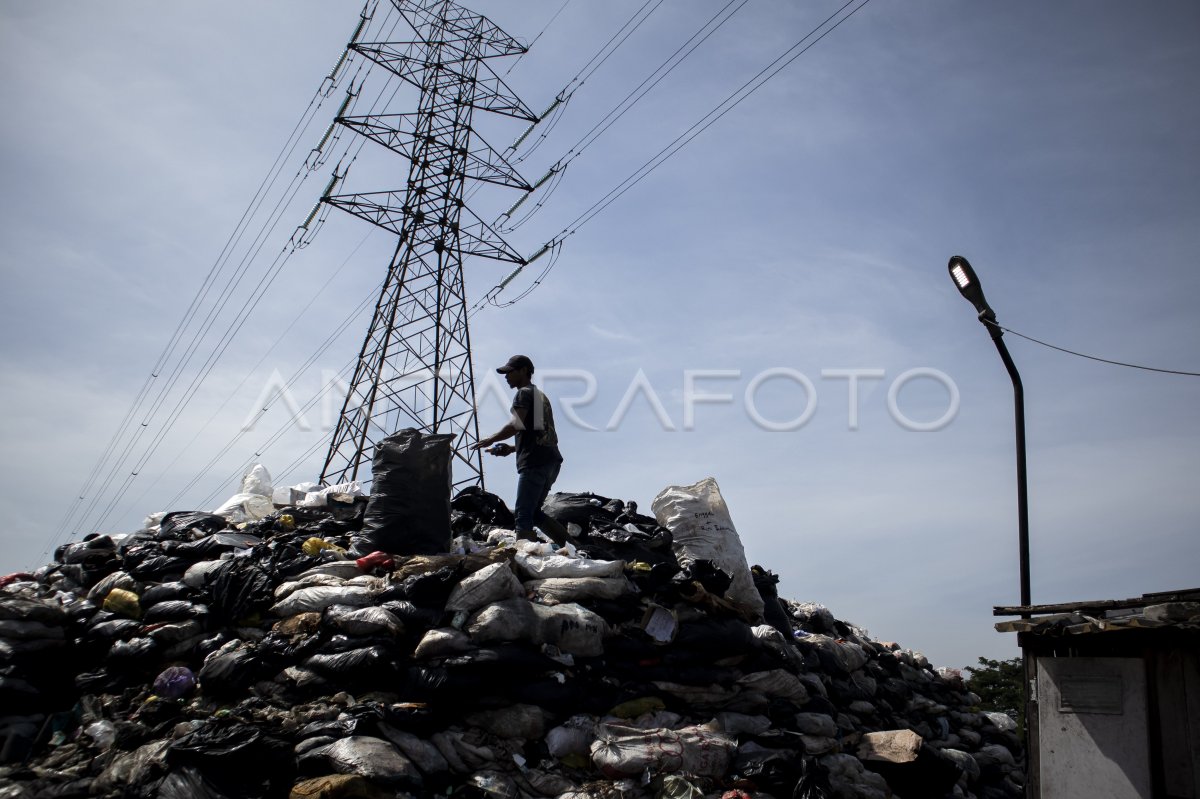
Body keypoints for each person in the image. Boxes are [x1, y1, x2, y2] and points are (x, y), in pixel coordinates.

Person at [472, 354, 568, 542]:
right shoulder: (539, 395)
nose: (506, 377)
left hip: (534, 463)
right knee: (535, 513)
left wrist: (490, 439)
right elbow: (540, 433)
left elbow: (516, 424)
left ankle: (526, 554)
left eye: (510, 372)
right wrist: (511, 448)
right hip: (550, 461)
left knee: (523, 513)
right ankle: (575, 548)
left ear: (524, 371)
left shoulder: (523, 393)